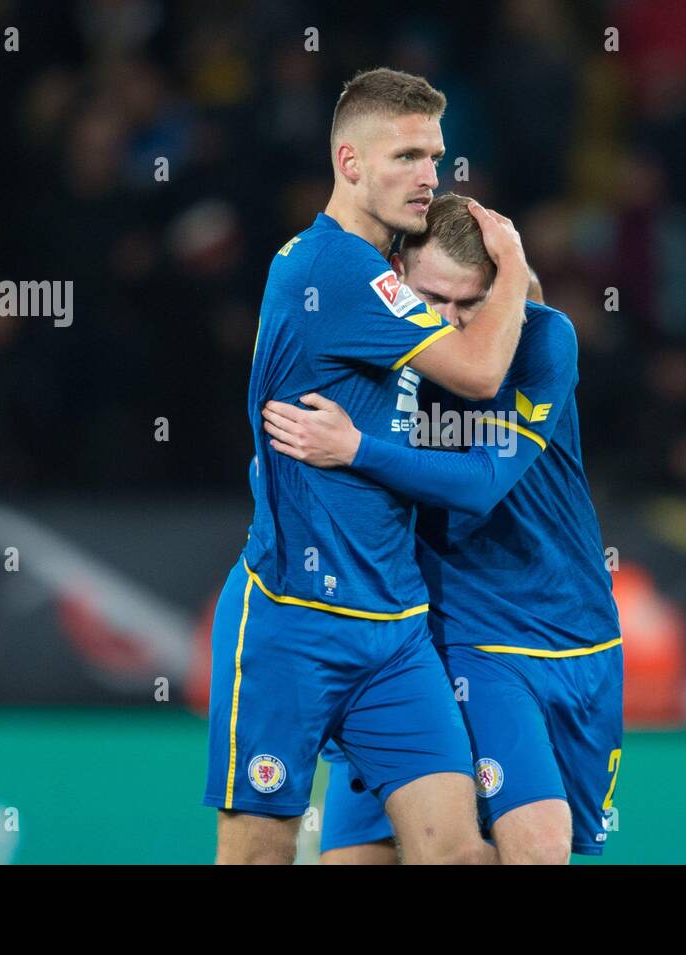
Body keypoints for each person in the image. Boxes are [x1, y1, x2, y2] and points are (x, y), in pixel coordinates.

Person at [205, 70, 529, 864]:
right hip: (292, 620)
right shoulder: (332, 270)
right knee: (256, 855)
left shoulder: (381, 272)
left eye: (437, 156)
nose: (430, 176)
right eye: (408, 156)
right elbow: (483, 372)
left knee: (456, 852)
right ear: (349, 163)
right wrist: (513, 264)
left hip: (392, 630)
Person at [263, 193, 623, 864]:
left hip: (569, 634)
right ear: (394, 273)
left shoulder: (544, 339)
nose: (451, 323)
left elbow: (482, 484)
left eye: (472, 303)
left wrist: (357, 448)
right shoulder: (372, 351)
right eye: (434, 299)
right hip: (445, 637)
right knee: (517, 849)